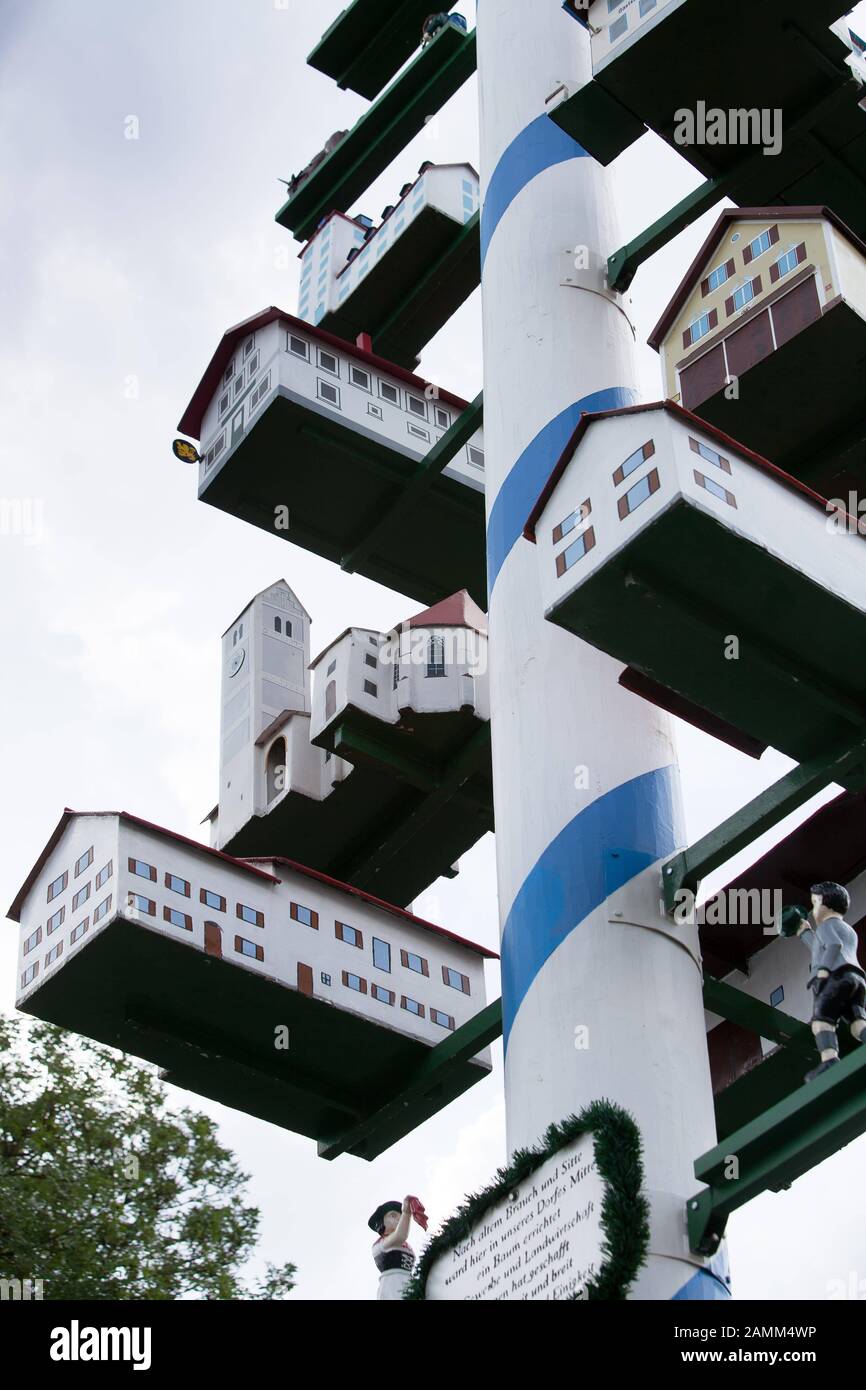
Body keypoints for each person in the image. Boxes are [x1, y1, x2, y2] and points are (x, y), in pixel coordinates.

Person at [780, 881, 866, 1082]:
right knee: (857, 1020)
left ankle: (829, 1059)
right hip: (856, 979)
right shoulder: (847, 930)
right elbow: (821, 949)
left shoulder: (827, 926)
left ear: (826, 905)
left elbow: (832, 946)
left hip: (835, 977)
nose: (814, 910)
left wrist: (823, 972)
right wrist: (805, 933)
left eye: (816, 903)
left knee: (822, 1021)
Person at [368, 1195, 426, 1299]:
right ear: (381, 1222)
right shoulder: (379, 1245)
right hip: (392, 1286)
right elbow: (400, 1235)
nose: (399, 1219)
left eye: (400, 1216)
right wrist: (406, 1213)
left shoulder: (406, 1246)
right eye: (393, 1215)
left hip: (409, 1284)